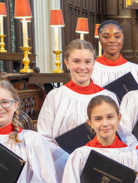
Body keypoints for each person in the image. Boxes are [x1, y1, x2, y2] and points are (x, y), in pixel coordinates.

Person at [36, 40, 130, 176]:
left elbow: (118, 133)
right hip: (64, 167)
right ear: (66, 63)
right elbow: (44, 137)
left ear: (94, 63)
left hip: (101, 166)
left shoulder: (108, 96)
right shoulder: (55, 96)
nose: (82, 67)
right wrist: (70, 160)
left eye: (87, 62)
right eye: (76, 61)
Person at [91, 20, 138, 88]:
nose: (112, 41)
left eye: (117, 37)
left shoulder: (136, 70)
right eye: (106, 37)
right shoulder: (91, 69)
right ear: (99, 39)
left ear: (123, 39)